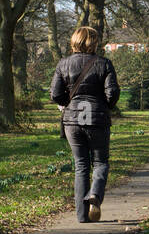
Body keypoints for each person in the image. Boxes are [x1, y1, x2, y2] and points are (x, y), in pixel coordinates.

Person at [50, 26, 120, 223]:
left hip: (72, 120)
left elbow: (55, 94)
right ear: (94, 42)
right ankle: (95, 196)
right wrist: (104, 106)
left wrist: (67, 104)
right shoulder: (104, 64)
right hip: (97, 119)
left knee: (81, 165)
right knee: (100, 162)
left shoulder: (63, 64)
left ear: (74, 41)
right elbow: (112, 93)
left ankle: (82, 215)